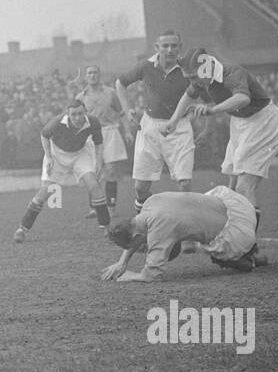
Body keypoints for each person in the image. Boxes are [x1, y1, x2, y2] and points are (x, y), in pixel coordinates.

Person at [160, 47, 278, 266]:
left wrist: (212, 110)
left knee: (244, 189)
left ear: (206, 64)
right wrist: (172, 121)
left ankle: (247, 250)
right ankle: (236, 243)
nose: (193, 81)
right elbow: (187, 97)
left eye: (193, 75)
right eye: (189, 77)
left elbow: (242, 99)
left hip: (263, 122)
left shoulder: (230, 71)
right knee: (231, 188)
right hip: (241, 124)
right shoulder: (202, 78)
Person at [100, 185, 259, 282]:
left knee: (210, 250)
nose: (143, 248)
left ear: (135, 237)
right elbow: (134, 232)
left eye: (141, 246)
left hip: (238, 235)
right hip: (239, 206)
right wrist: (122, 261)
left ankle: (243, 257)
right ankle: (253, 250)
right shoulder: (150, 203)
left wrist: (129, 275)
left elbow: (152, 275)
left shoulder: (157, 229)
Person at [114, 29, 195, 210]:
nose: (169, 50)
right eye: (165, 46)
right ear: (156, 47)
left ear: (180, 47)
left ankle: (186, 228)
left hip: (179, 127)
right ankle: (143, 223)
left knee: (184, 183)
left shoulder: (188, 69)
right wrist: (128, 111)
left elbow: (202, 95)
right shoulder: (146, 66)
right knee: (141, 187)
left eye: (174, 46)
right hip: (150, 126)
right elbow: (120, 83)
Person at [13, 98, 111, 243]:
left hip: (80, 153)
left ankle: (107, 228)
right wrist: (48, 156)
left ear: (85, 112)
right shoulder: (57, 122)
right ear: (68, 114)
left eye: (80, 114)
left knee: (94, 185)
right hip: (57, 154)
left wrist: (99, 162)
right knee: (45, 192)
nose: (77, 118)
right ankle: (22, 229)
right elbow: (44, 135)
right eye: (74, 115)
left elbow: (99, 143)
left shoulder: (93, 122)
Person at [76, 64, 127, 212]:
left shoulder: (110, 93)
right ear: (86, 76)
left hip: (109, 132)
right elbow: (75, 121)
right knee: (93, 172)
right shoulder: (80, 97)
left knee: (110, 171)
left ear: (100, 75)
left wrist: (128, 131)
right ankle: (95, 207)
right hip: (90, 136)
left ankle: (111, 207)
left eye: (95, 73)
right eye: (89, 73)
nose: (92, 75)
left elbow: (121, 113)